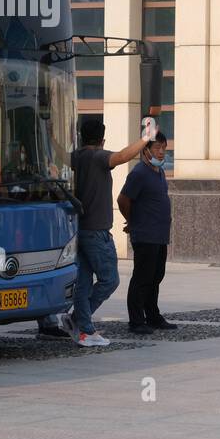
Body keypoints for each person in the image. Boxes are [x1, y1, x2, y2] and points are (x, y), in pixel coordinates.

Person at [69, 117, 155, 347]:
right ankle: (80, 322)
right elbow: (123, 156)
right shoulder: (98, 157)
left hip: (80, 230)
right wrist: (146, 138)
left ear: (82, 137)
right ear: (102, 140)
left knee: (84, 283)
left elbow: (59, 152)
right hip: (97, 232)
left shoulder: (76, 156)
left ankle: (83, 328)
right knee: (110, 280)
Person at [118, 132, 177, 334]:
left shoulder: (159, 172)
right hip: (145, 234)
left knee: (156, 276)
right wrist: (132, 220)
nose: (161, 152)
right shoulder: (139, 173)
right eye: (157, 148)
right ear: (146, 150)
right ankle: (136, 320)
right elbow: (123, 200)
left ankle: (153, 316)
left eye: (164, 148)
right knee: (142, 277)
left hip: (159, 234)